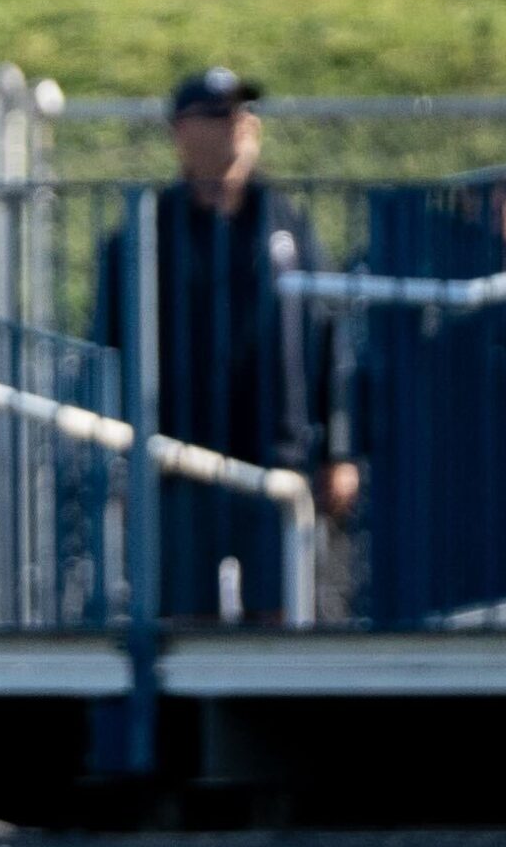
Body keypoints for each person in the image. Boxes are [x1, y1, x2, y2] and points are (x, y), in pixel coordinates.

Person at [92, 67, 354, 622]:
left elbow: (330, 336)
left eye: (245, 113)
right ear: (181, 131)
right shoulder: (146, 230)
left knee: (282, 615)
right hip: (178, 459)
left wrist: (338, 449)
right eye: (219, 114)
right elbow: (109, 344)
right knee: (182, 623)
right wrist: (124, 449)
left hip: (276, 462)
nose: (240, 124)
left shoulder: (288, 222)